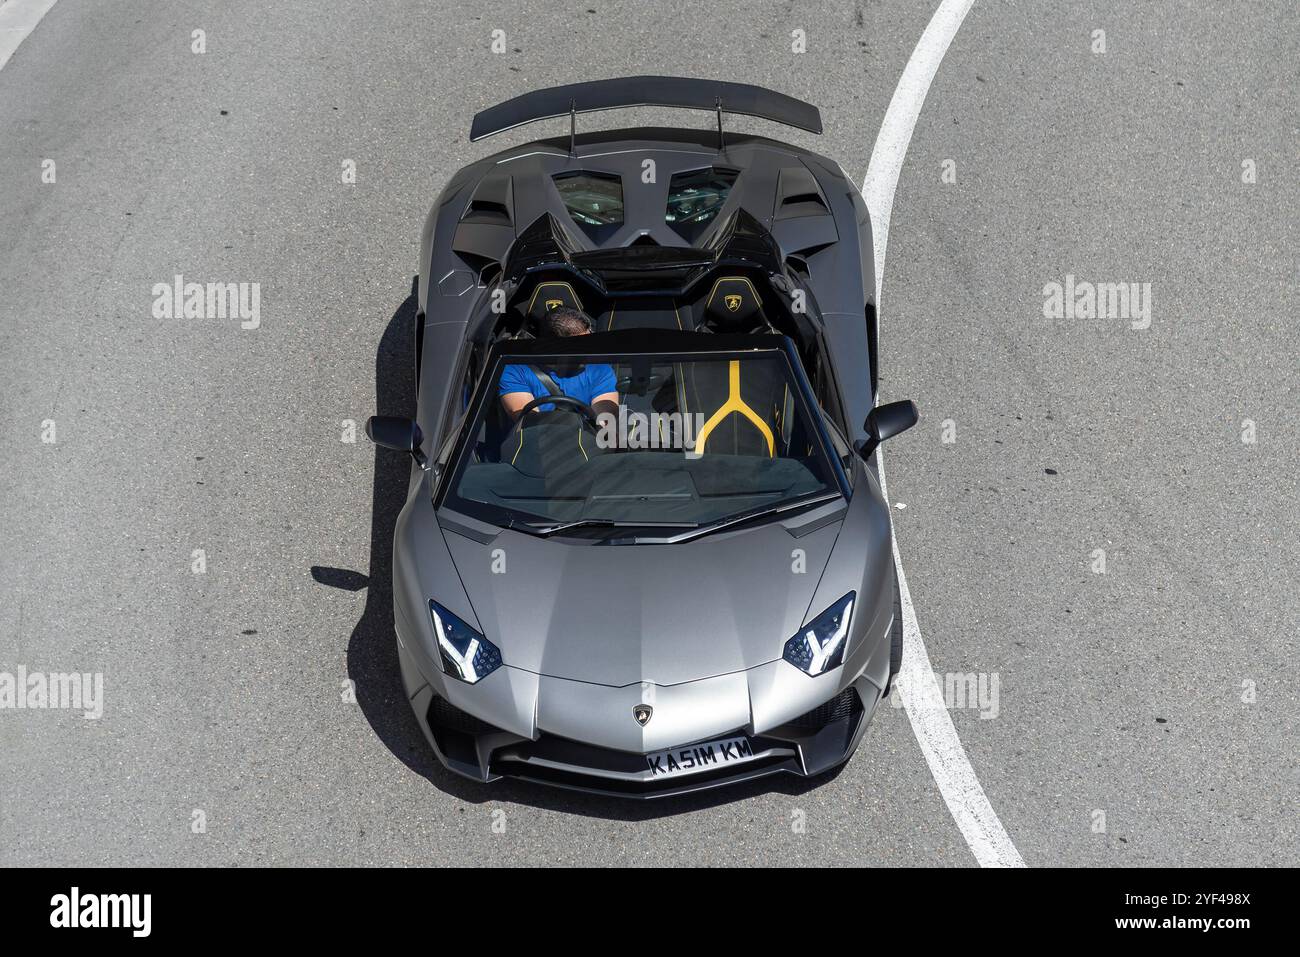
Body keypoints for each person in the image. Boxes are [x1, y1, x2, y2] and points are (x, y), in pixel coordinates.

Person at [499, 307, 619, 419]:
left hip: (586, 439)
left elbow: (606, 420)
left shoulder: (599, 369)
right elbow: (528, 423)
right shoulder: (516, 370)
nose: (588, 350)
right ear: (555, 347)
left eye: (590, 340)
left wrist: (604, 427)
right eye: (581, 345)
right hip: (538, 439)